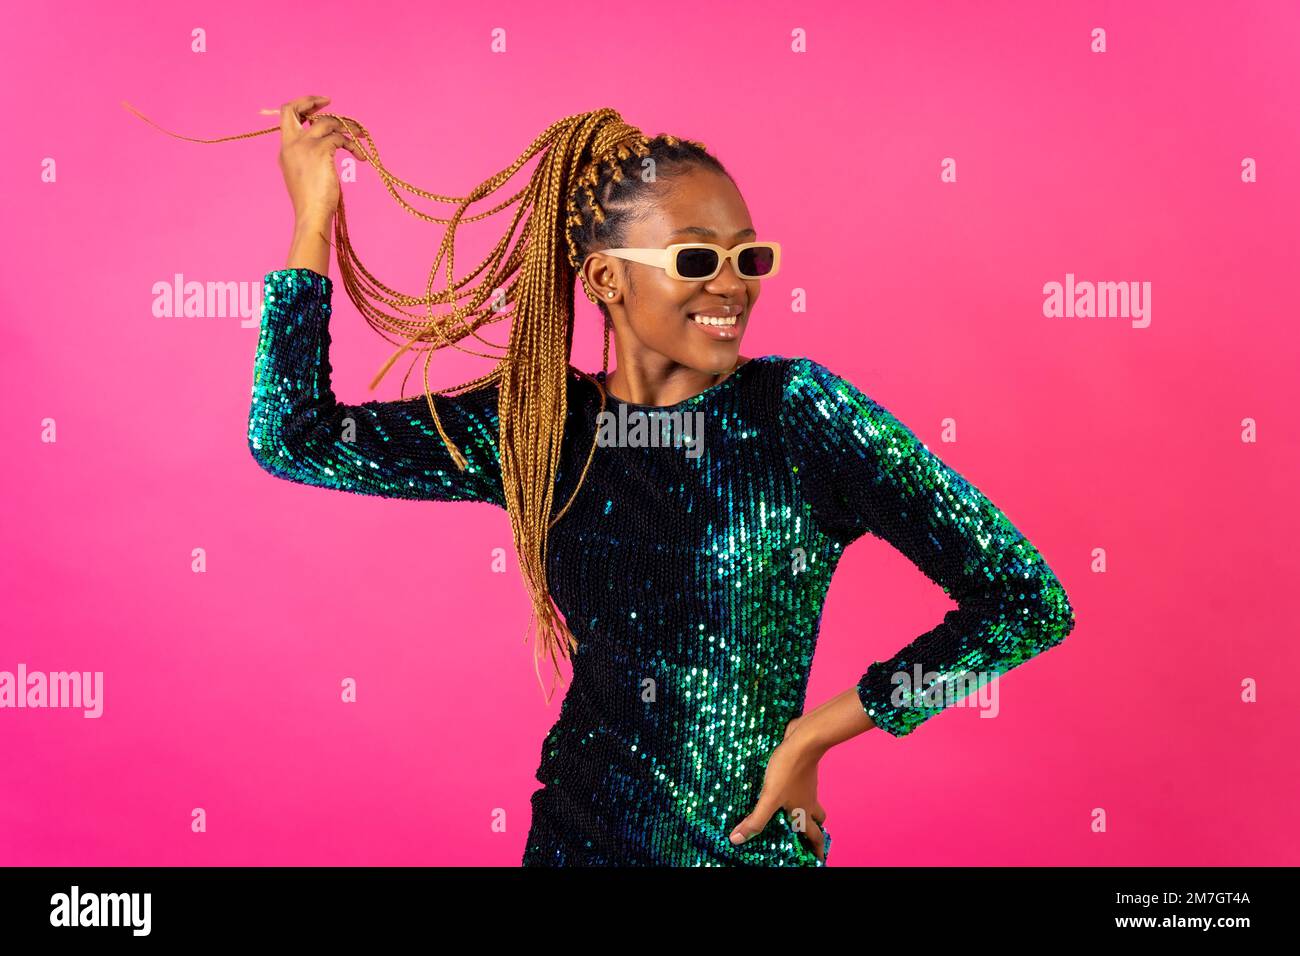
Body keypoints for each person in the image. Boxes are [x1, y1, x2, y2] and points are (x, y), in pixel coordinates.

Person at [247, 96, 1077, 866]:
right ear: (608, 278)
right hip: (577, 840)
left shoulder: (797, 413)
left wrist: (817, 734)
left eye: (747, 256)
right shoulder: (540, 425)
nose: (733, 284)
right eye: (696, 258)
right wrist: (313, 214)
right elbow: (294, 436)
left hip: (745, 850)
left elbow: (1026, 602)